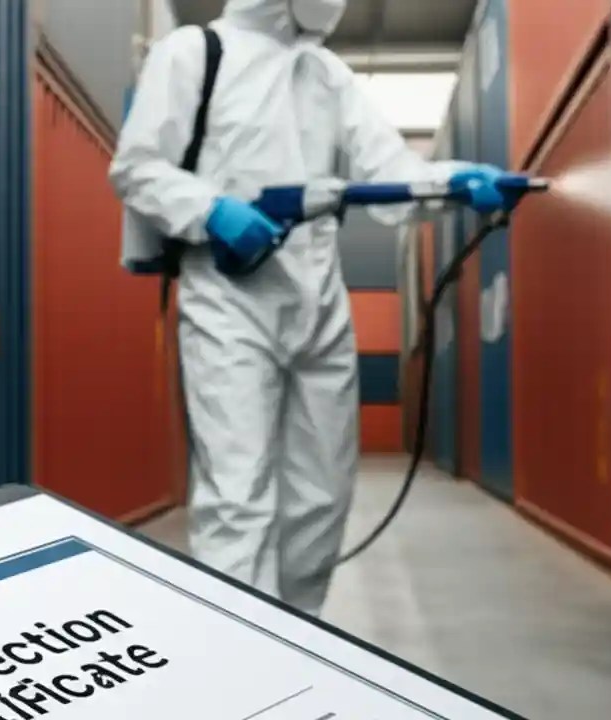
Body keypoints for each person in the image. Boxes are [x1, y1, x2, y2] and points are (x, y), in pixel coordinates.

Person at [109, 0, 513, 617]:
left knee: (321, 495)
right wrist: (211, 210)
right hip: (228, 300)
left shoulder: (326, 73)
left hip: (319, 298)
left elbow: (393, 178)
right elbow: (136, 167)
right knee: (238, 495)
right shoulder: (194, 52)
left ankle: (299, 642)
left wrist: (454, 182)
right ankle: (244, 669)